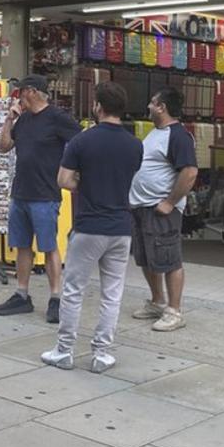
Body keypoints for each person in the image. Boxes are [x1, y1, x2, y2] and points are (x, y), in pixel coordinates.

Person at [41, 81, 143, 373]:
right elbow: (130, 180)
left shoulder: (82, 141)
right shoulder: (135, 145)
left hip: (88, 226)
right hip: (121, 227)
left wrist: (84, 184)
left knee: (73, 290)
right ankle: (102, 352)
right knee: (112, 292)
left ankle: (65, 350)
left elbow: (63, 180)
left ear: (98, 106)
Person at [0, 74, 81, 323]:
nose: (18, 96)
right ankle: (22, 294)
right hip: (20, 192)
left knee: (48, 246)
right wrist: (9, 120)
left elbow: (80, 141)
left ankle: (56, 297)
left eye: (20, 91)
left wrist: (71, 173)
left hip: (45, 194)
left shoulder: (57, 118)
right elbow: (3, 146)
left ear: (31, 91)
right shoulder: (22, 120)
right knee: (22, 244)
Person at [129, 87, 198, 332]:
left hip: (161, 209)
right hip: (142, 207)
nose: (148, 106)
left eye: (152, 102)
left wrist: (169, 202)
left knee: (169, 258)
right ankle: (157, 301)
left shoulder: (178, 136)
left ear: (162, 107)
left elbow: (189, 172)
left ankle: (174, 310)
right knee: (147, 257)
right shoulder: (155, 133)